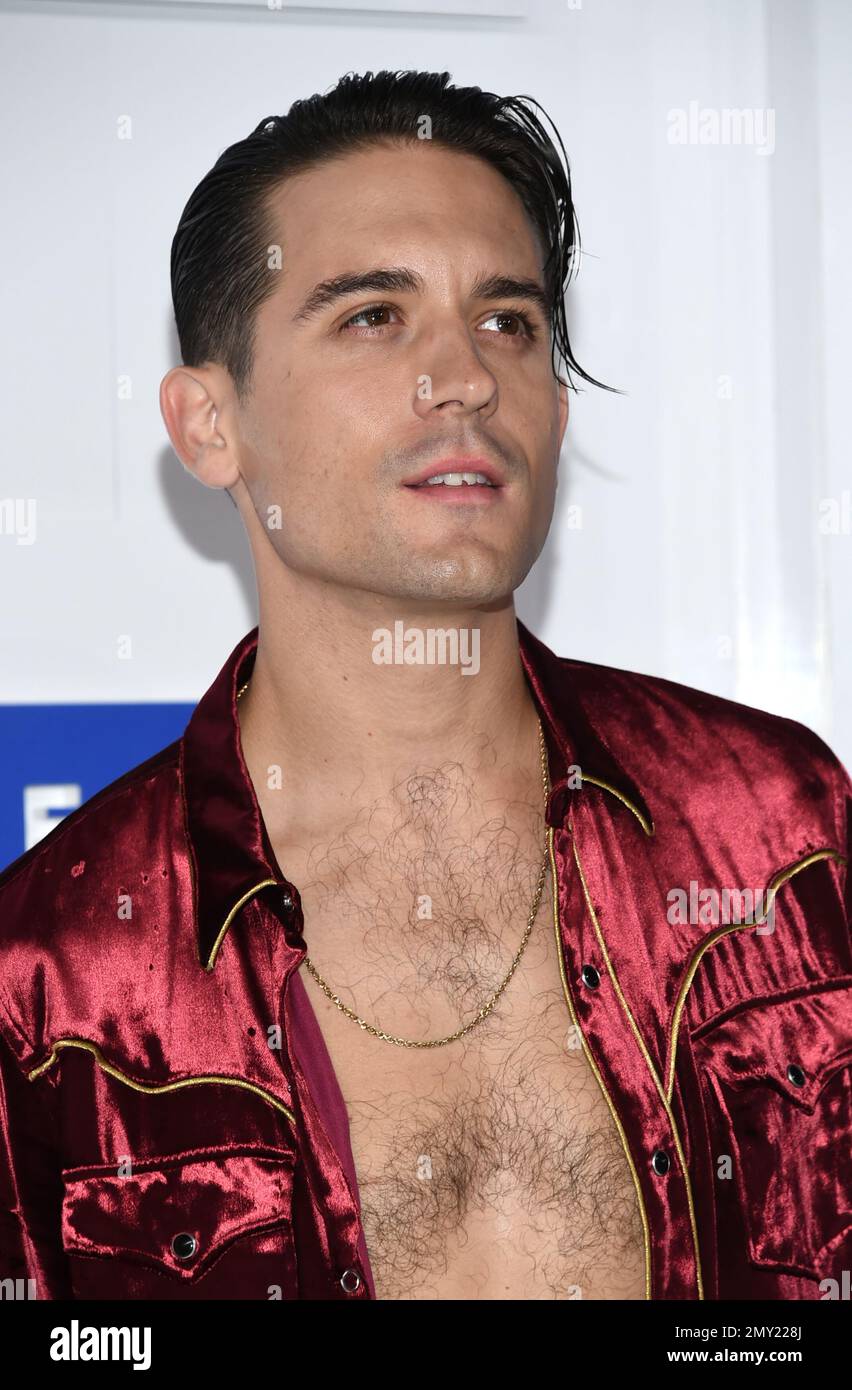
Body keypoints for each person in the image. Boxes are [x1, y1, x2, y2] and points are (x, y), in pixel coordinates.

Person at [1, 69, 850, 1303]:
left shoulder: (783, 835)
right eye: (373, 318)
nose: (464, 376)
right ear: (208, 426)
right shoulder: (58, 983)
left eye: (507, 320)